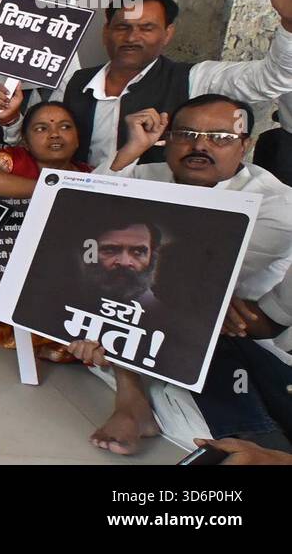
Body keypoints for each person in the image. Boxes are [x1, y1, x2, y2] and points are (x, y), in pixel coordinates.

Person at [67, 94, 292, 455]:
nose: (199, 146)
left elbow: (189, 281)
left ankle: (134, 395)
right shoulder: (145, 173)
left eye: (220, 137)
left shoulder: (277, 203)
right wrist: (131, 150)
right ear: (167, 139)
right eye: (185, 133)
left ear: (244, 145)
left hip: (231, 332)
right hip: (165, 311)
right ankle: (133, 396)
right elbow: (78, 220)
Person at [57, 0, 292, 166]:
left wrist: (289, 24)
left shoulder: (194, 79)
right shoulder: (76, 81)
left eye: (146, 28)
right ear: (105, 33)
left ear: (167, 34)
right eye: (122, 27)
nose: (131, 38)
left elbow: (271, 79)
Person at [0, 102, 91, 360]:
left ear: (78, 138)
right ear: (25, 140)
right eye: (41, 128)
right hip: (2, 272)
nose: (55, 134)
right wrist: (55, 190)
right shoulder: (14, 159)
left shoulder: (89, 175)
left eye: (65, 127)